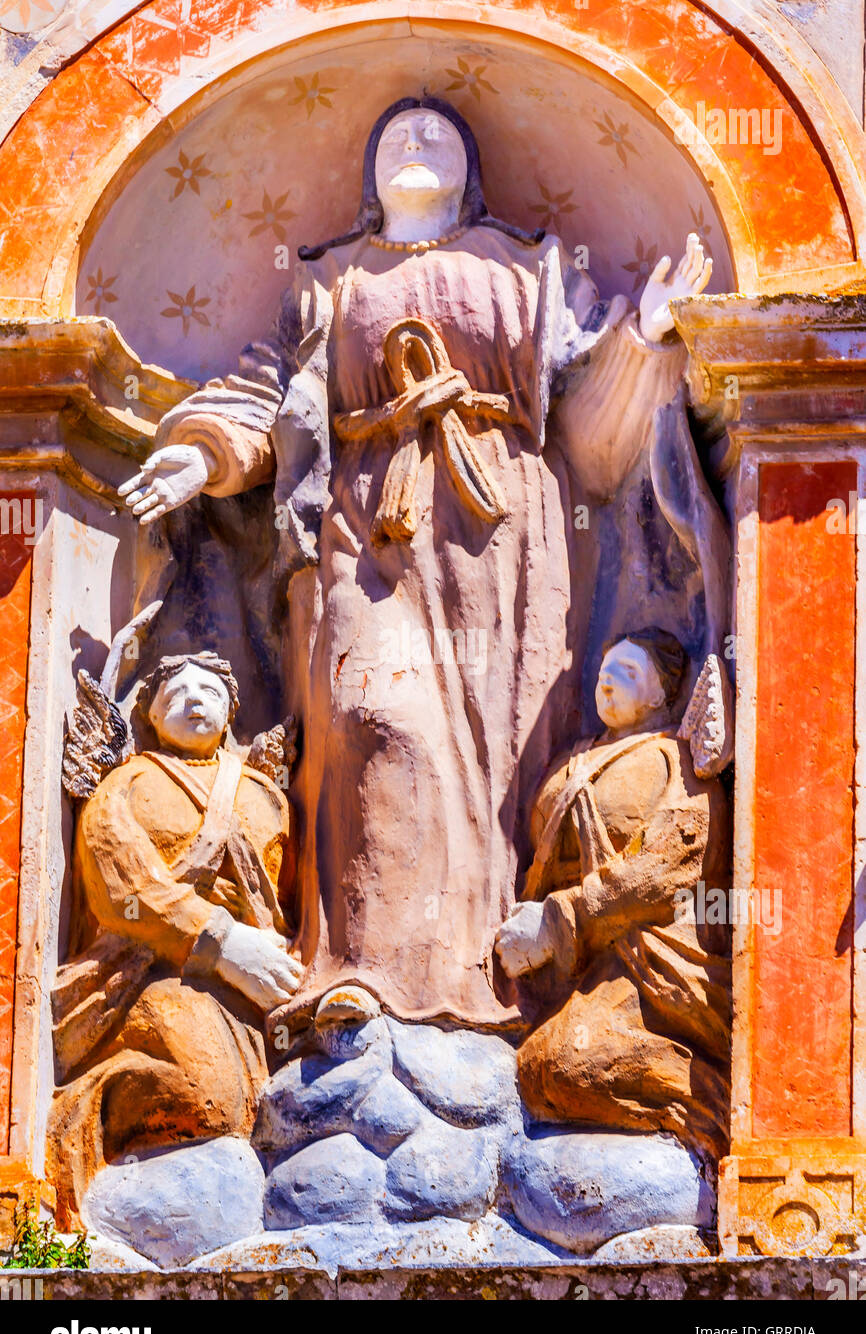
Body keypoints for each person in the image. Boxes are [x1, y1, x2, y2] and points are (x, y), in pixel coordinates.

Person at [119, 97, 712, 1031]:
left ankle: (482, 985)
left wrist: (642, 334)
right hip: (363, 531)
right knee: (369, 720)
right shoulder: (326, 280)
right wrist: (205, 454)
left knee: (494, 753)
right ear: (369, 174)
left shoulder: (531, 268)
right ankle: (358, 974)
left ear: (470, 166)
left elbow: (593, 423)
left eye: (437, 132)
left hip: (499, 535)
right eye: (396, 132)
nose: (418, 140)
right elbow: (264, 394)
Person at [48, 652, 300, 1225]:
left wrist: (269, 944)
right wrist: (221, 940)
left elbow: (286, 894)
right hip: (153, 974)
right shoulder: (128, 783)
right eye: (175, 694)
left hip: (261, 984)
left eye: (209, 690)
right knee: (209, 1089)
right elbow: (121, 885)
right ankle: (86, 1113)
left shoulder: (267, 796)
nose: (193, 701)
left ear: (232, 708)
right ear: (150, 717)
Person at [496, 631, 731, 1158]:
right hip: (567, 960)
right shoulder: (573, 759)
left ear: (658, 695)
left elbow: (664, 869)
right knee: (533, 1065)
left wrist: (559, 922)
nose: (606, 679)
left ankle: (706, 1114)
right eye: (603, 668)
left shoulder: (676, 762)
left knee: (565, 1064)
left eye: (626, 671)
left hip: (645, 956)